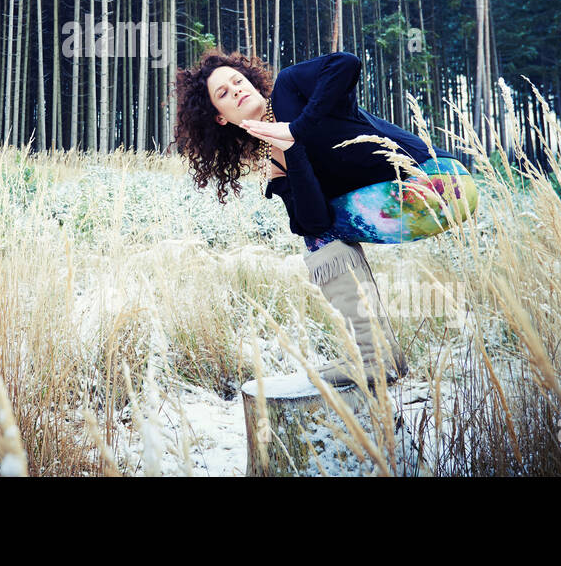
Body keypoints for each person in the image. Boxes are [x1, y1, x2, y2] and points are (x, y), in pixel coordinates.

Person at [174, 47, 461, 389]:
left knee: (319, 238)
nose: (236, 89)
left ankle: (376, 356)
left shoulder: (289, 88)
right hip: (415, 201)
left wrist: (296, 130)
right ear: (219, 117)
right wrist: (292, 152)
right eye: (223, 92)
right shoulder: (276, 165)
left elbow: (346, 63)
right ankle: (379, 354)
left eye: (238, 80)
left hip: (441, 182)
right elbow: (314, 222)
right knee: (317, 235)